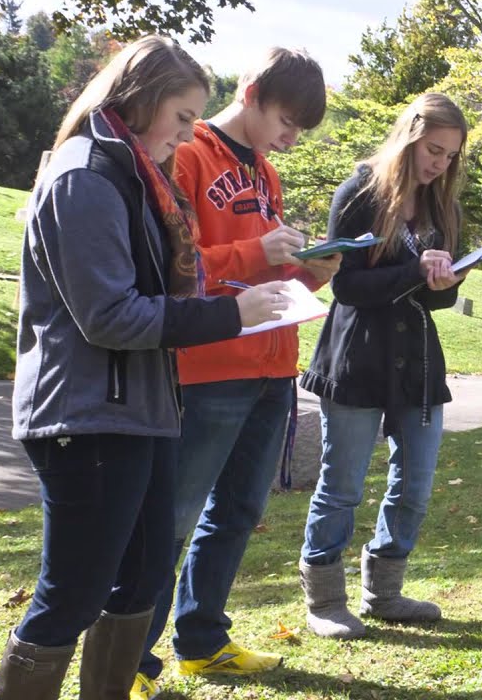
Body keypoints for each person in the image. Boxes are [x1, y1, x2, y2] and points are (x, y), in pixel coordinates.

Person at [0, 35, 290, 700]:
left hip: (143, 411)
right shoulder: (87, 177)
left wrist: (245, 297)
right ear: (140, 98)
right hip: (87, 416)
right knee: (73, 594)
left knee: (145, 573)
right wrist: (230, 316)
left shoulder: (138, 176)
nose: (188, 136)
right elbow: (111, 317)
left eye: (194, 122)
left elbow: (160, 295)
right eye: (182, 118)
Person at [131, 48, 339, 699]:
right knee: (174, 514)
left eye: (301, 129)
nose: (290, 136)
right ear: (250, 92)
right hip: (210, 368)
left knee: (241, 508)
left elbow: (266, 277)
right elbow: (177, 266)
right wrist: (257, 249)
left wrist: (313, 271)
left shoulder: (267, 173)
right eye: (285, 119)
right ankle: (128, 659)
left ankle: (203, 642)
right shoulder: (188, 154)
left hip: (273, 365)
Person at [296, 93, 469, 640]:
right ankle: (324, 601)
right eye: (434, 150)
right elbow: (344, 284)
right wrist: (414, 271)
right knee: (341, 485)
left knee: (414, 483)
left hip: (416, 363)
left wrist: (446, 281)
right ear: (410, 135)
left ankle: (384, 592)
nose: (440, 164)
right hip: (356, 357)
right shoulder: (361, 191)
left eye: (450, 156)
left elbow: (431, 297)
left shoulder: (440, 204)